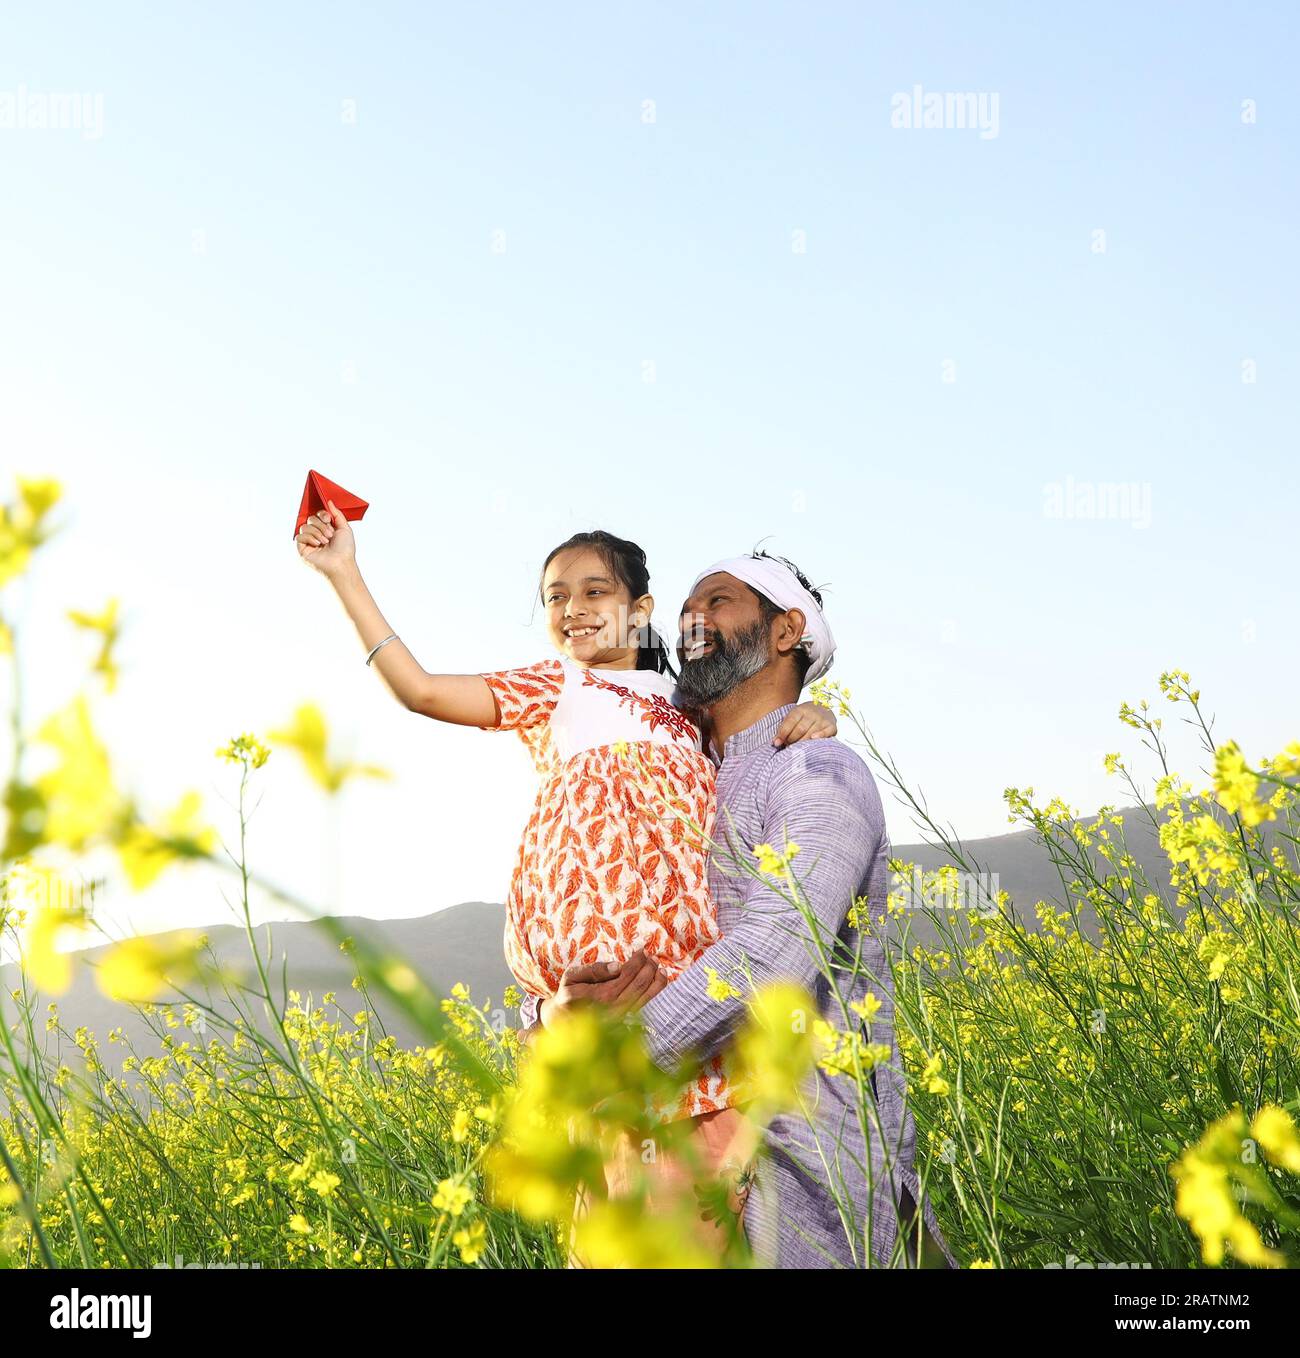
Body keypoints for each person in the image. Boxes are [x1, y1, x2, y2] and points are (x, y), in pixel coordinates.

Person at [294, 510, 836, 1254]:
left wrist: (815, 712)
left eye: (593, 591)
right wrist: (343, 573)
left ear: (641, 610)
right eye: (555, 596)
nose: (572, 609)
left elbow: (757, 733)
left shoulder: (691, 717)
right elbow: (419, 690)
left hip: (694, 1020)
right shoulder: (557, 688)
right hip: (595, 1013)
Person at [573, 550, 959, 1268]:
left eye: (717, 601)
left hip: (803, 1177)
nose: (693, 617)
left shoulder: (815, 771)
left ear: (787, 631)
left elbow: (775, 951)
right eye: (687, 606)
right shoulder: (679, 774)